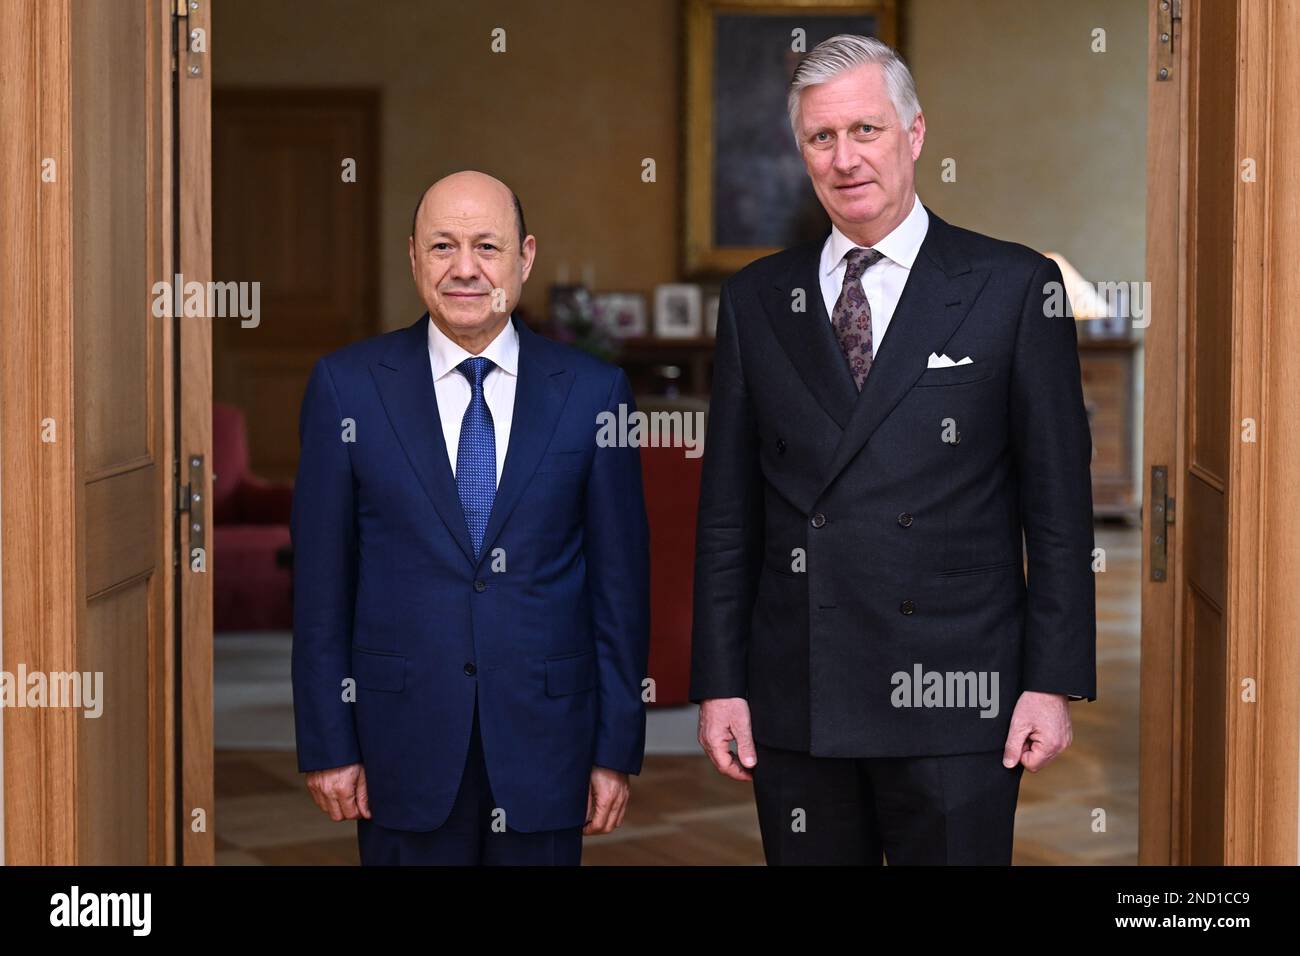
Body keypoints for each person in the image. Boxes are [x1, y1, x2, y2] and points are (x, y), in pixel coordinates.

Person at [690, 34, 1097, 865]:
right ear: (801, 151)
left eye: (866, 131)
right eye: (821, 138)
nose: (845, 159)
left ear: (914, 135)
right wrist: (720, 683)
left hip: (958, 691)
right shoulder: (757, 299)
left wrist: (1050, 680)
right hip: (801, 687)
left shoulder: (1014, 286)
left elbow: (1058, 507)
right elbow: (727, 516)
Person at [291, 170, 650, 865]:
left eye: (487, 246)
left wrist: (614, 747)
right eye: (442, 247)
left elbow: (620, 590)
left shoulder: (595, 392)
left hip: (548, 746)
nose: (464, 269)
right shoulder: (347, 387)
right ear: (413, 257)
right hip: (401, 743)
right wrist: (329, 741)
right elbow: (320, 588)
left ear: (526, 257)